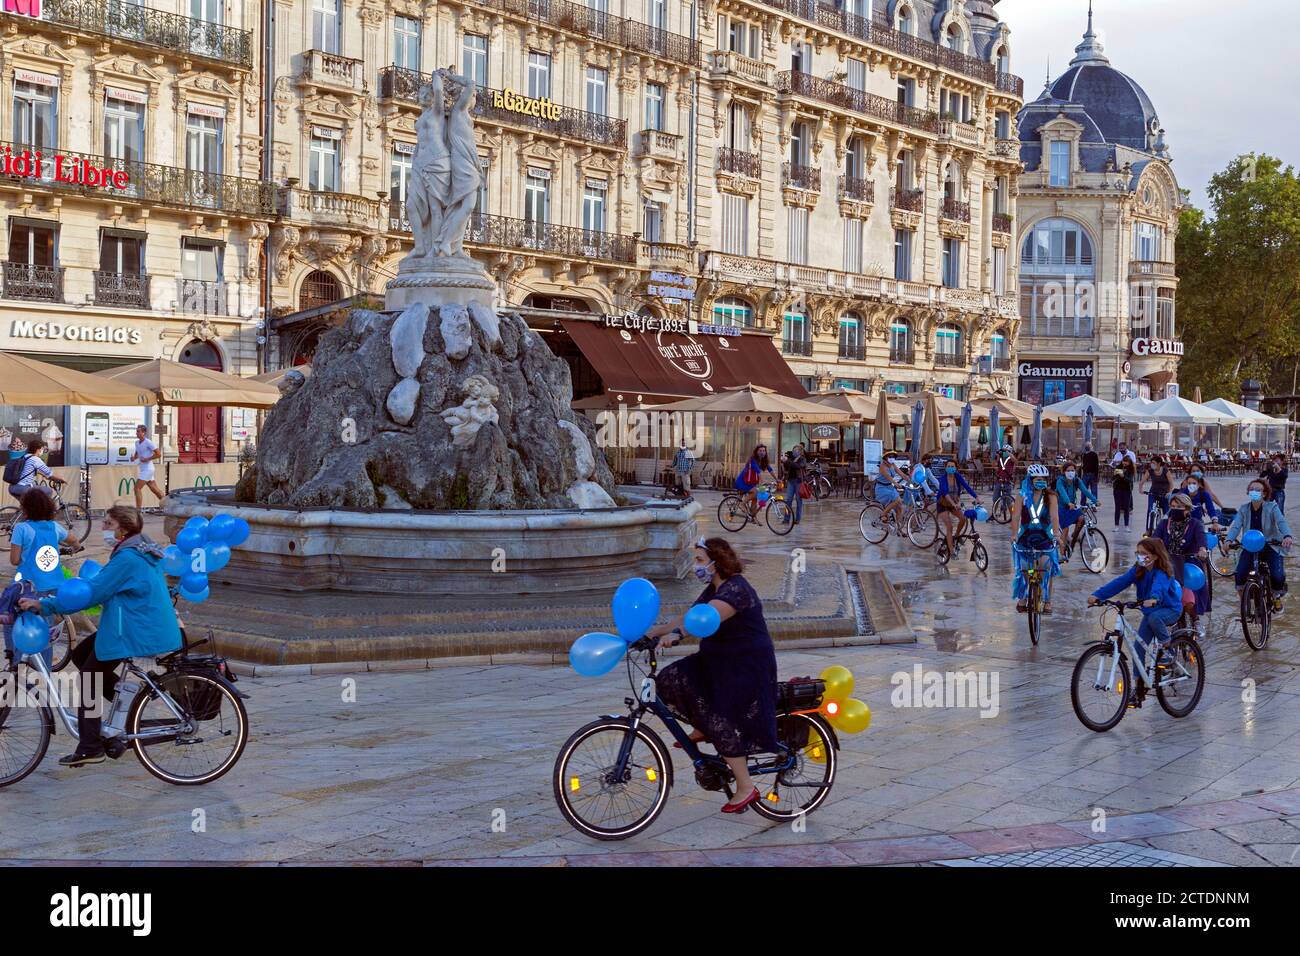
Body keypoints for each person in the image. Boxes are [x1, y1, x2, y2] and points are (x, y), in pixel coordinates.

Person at [17, 505, 181, 766]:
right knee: (82, 656)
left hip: (133, 629)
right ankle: (125, 710)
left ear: (123, 529)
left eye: (108, 524)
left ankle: (90, 746)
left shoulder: (128, 558)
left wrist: (45, 605)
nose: (103, 528)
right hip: (132, 624)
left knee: (90, 677)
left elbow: (93, 592)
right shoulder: (136, 550)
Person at [650, 538, 778, 814]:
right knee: (671, 678)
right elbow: (689, 616)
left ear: (716, 562)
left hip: (746, 665)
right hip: (717, 660)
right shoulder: (714, 588)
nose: (696, 566)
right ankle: (702, 726)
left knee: (720, 719)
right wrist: (651, 633)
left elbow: (706, 620)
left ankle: (746, 787)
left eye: (699, 560)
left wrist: (677, 636)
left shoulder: (737, 590)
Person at [1087, 537, 1185, 708]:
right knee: (1138, 649)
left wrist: (1154, 598)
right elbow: (1120, 582)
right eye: (1138, 553)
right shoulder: (1138, 570)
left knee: (1155, 618)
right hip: (1150, 612)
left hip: (1169, 610)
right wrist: (1098, 595)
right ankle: (1138, 690)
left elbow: (1159, 587)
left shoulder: (1163, 571)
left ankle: (1168, 651)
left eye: (1144, 554)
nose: (1140, 557)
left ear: (1155, 556)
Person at [3, 488, 79, 669]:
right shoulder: (54, 527)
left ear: (26, 508)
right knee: (46, 626)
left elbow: (14, 560)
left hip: (30, 586)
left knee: (11, 619)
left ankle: (13, 660)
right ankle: (44, 667)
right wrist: (71, 548)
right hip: (55, 584)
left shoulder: (21, 528)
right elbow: (74, 541)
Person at [1224, 478, 1293, 612]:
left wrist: (1287, 536)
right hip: (1249, 546)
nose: (1254, 492)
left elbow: (1281, 522)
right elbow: (1236, 526)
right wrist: (1228, 540)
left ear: (1265, 493)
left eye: (1258, 490)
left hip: (1270, 545)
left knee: (1277, 575)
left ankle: (1276, 596)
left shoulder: (1272, 507)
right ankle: (1244, 602)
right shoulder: (1244, 509)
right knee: (1240, 573)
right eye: (1251, 489)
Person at [1011, 463, 1065, 614]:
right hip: (1026, 535)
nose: (1041, 481)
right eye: (1037, 479)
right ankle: (1023, 597)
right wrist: (1014, 534)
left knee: (1045, 567)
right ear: (1030, 479)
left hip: (1045, 535)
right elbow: (1015, 517)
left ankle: (1047, 600)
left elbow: (1055, 517)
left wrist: (1057, 535)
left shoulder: (1051, 496)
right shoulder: (1022, 496)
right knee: (1024, 568)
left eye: (1043, 479)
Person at [1154, 492, 1210, 632]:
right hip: (1169, 563)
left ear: (1187, 509)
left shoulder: (1195, 524)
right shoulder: (1163, 523)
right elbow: (1154, 539)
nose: (1175, 509)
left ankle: (1195, 618)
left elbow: (1201, 539)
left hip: (1188, 563)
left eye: (1179, 506)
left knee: (1190, 599)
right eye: (1172, 506)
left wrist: (1202, 549)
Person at [935, 460, 980, 554]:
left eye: (953, 466)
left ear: (955, 468)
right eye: (949, 466)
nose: (951, 468)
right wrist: (954, 504)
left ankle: (956, 536)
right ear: (946, 468)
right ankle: (951, 551)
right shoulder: (942, 479)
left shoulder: (957, 476)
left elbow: (966, 486)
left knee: (963, 519)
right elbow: (945, 493)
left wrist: (976, 497)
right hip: (943, 504)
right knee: (949, 526)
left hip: (954, 503)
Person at [5, 438, 66, 504]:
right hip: (22, 488)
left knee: (28, 507)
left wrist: (46, 476)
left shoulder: (25, 457)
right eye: (42, 449)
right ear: (38, 450)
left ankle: (28, 513)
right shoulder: (35, 459)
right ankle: (44, 511)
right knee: (48, 491)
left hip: (12, 487)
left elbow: (37, 471)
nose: (43, 451)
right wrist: (62, 480)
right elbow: (50, 473)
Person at [1056, 459, 1098, 549]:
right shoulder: (1060, 481)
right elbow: (1063, 493)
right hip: (1062, 507)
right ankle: (1062, 553)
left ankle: (1074, 539)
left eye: (1072, 470)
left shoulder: (1076, 480)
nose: (1071, 472)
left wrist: (1095, 500)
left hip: (1072, 507)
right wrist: (1068, 503)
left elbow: (1085, 491)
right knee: (1065, 529)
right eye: (1068, 471)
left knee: (1082, 519)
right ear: (1064, 472)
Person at [734, 444, 777, 519]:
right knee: (756, 492)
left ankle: (753, 517)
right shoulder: (753, 460)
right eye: (760, 451)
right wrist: (763, 483)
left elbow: (770, 469)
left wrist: (777, 479)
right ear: (756, 452)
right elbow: (759, 472)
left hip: (751, 483)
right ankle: (742, 504)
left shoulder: (763, 461)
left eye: (764, 451)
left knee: (755, 499)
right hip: (742, 482)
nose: (762, 452)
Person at [130, 424, 164, 511]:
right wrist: (134, 457)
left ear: (143, 433)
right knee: (154, 489)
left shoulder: (148, 442)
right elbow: (138, 452)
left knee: (137, 488)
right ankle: (169, 505)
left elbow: (158, 454)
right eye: (136, 431)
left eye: (138, 431)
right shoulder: (137, 443)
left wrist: (147, 459)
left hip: (148, 469)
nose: (136, 433)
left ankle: (138, 511)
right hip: (144, 469)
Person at [1139, 455, 1172, 533]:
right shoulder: (1150, 470)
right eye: (1151, 463)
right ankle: (1149, 529)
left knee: (1166, 511)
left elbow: (1171, 483)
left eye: (1153, 463)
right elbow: (1142, 481)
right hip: (1153, 492)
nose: (1152, 464)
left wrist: (1169, 492)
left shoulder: (1165, 471)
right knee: (1151, 510)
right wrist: (1140, 489)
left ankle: (1167, 528)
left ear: (1159, 463)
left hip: (1164, 493)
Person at [872, 453, 907, 528]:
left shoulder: (893, 465)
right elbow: (889, 477)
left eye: (893, 457)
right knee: (898, 500)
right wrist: (896, 484)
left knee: (900, 507)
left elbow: (902, 474)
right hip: (881, 488)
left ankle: (898, 529)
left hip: (890, 487)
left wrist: (911, 481)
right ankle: (883, 514)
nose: (892, 458)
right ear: (885, 458)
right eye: (890, 457)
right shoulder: (882, 466)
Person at [781, 443, 808, 526]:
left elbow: (798, 466)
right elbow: (786, 467)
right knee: (788, 500)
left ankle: (797, 519)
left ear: (800, 452)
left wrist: (788, 461)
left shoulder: (802, 459)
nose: (794, 452)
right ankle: (786, 519)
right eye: (793, 450)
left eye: (796, 450)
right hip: (790, 481)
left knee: (799, 500)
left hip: (798, 481)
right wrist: (784, 461)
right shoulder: (791, 458)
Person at [1112, 459, 1135, 531]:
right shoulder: (1118, 468)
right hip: (1117, 489)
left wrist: (1123, 476)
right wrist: (1115, 475)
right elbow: (1112, 479)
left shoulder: (1131, 470)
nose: (1124, 463)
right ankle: (1116, 526)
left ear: (1129, 462)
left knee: (1126, 508)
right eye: (1123, 461)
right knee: (1117, 508)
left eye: (1126, 461)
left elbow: (1130, 480)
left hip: (1127, 490)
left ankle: (1127, 526)